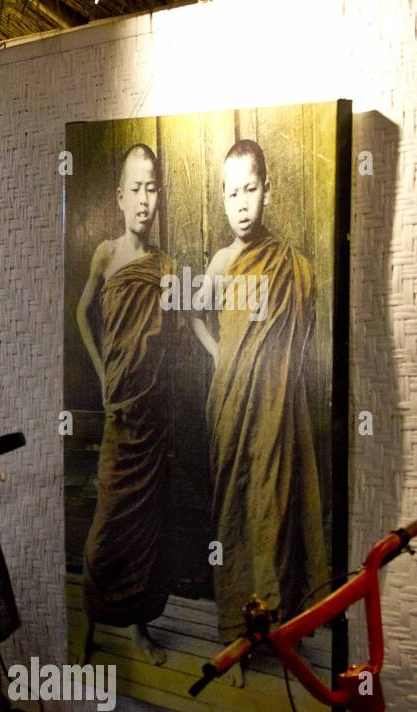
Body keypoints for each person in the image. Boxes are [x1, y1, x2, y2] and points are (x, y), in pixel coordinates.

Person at [182, 139, 329, 644]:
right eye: (232, 193)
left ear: (268, 190)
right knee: (233, 510)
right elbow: (192, 314)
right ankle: (233, 631)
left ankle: (274, 625)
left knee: (272, 507)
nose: (241, 204)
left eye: (250, 190)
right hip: (229, 402)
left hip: (275, 408)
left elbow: (300, 340)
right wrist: (219, 355)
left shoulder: (293, 264)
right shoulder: (222, 262)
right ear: (222, 198)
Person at [75, 143, 176, 665]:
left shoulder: (165, 265)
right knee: (107, 525)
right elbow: (82, 312)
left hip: (153, 413)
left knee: (147, 527)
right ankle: (90, 626)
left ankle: (140, 628)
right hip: (118, 409)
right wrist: (100, 374)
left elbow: (176, 327)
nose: (143, 199)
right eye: (134, 189)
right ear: (119, 197)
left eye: (151, 188)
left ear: (159, 195)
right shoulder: (106, 254)